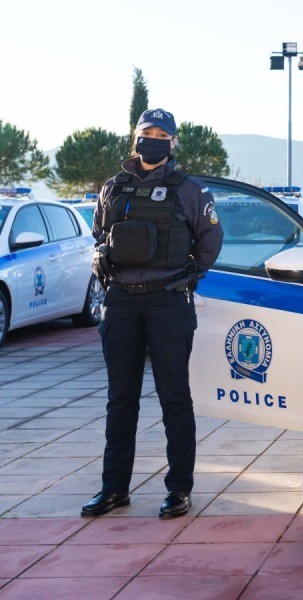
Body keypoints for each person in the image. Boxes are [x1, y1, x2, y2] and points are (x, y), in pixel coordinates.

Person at [82, 108, 223, 518]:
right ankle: (114, 489)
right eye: (148, 132)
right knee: (120, 400)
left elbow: (210, 239)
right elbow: (98, 234)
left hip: (166, 300)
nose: (154, 139)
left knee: (174, 399)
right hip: (122, 300)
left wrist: (187, 276)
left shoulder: (189, 190)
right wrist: (98, 257)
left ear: (173, 142)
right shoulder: (114, 187)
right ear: (135, 137)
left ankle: (179, 489)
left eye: (162, 134)